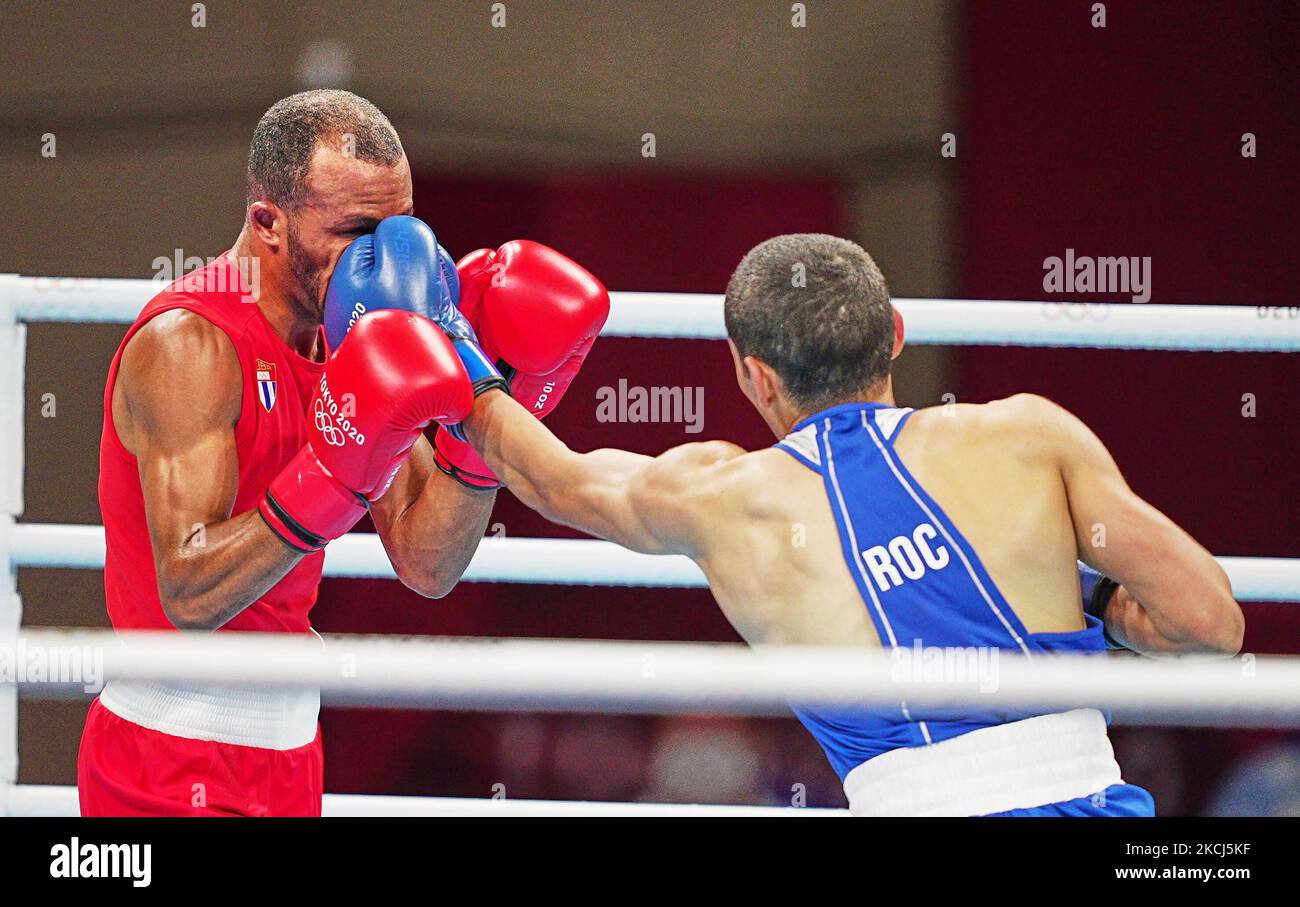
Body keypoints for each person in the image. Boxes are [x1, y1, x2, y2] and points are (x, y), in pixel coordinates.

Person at [458, 233, 1245, 816]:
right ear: (896, 334)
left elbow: (552, 477)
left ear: (752, 374)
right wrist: (1092, 602)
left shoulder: (721, 496)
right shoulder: (1027, 434)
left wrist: (450, 346)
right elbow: (1210, 622)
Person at [78, 89, 606, 816]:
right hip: (167, 757)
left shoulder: (354, 336)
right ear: (268, 222)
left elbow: (426, 562)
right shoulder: (190, 345)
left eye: (401, 229)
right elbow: (189, 589)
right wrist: (329, 479)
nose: (388, 259)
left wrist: (473, 435)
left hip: (291, 749)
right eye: (358, 231)